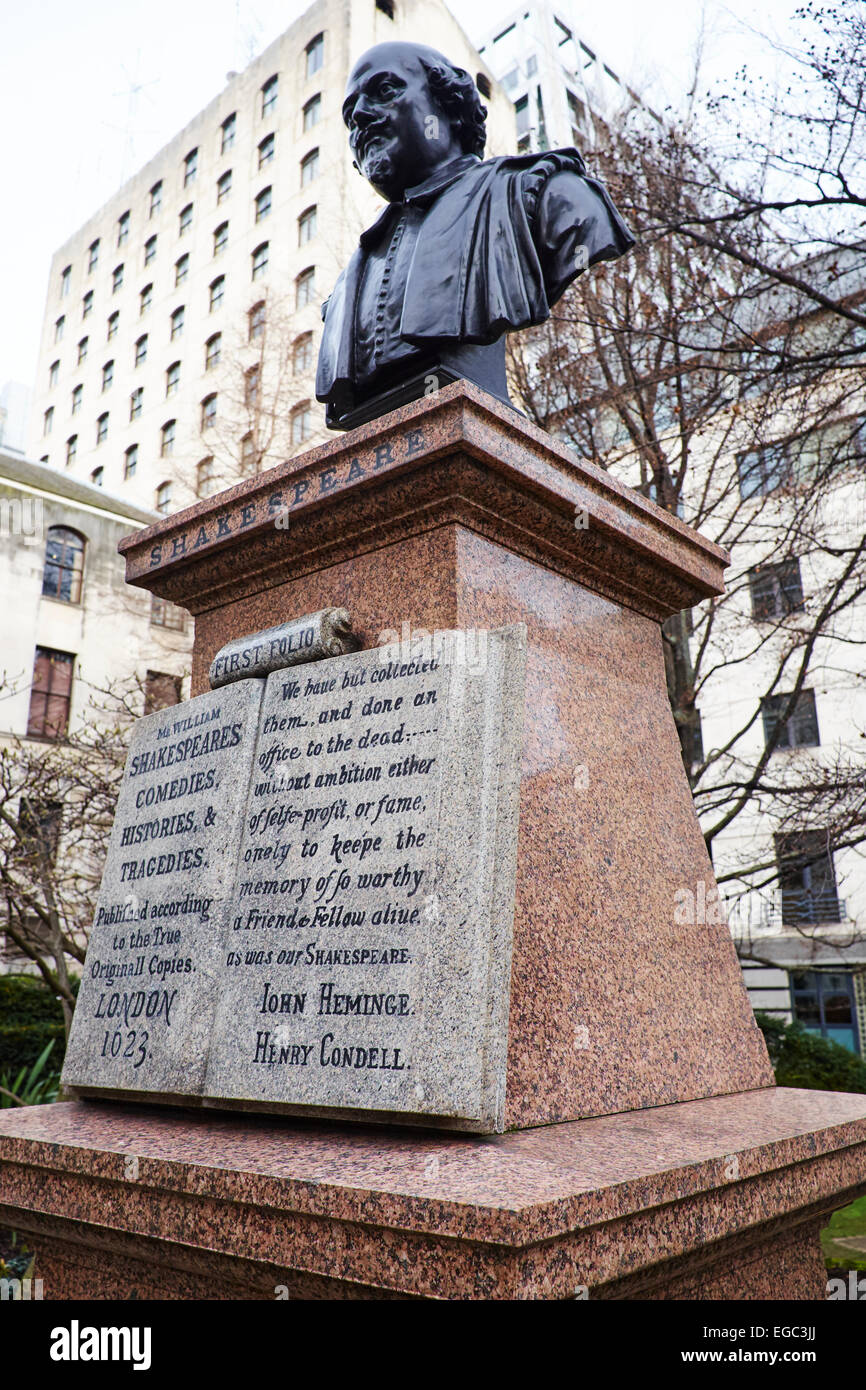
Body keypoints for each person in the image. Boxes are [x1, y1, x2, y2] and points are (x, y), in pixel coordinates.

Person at [316, 41, 635, 429]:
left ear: (450, 107)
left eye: (385, 91)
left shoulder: (545, 198)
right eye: (350, 115)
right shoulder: (347, 286)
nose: (362, 116)